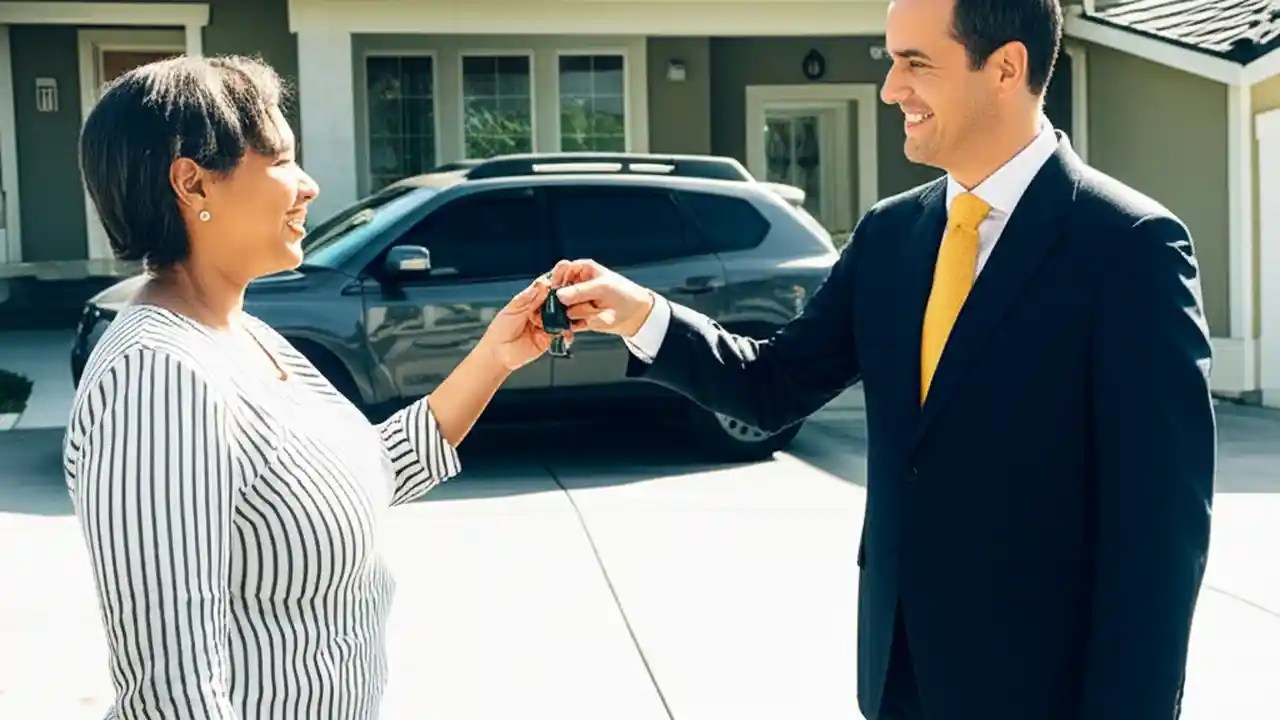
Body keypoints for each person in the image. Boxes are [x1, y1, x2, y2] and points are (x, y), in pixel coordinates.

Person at [548, 0, 1216, 717]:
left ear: (1006, 68)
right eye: (891, 60)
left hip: (1041, 692)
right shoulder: (891, 234)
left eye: (915, 63)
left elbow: (1158, 542)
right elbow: (772, 385)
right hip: (898, 679)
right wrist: (641, 314)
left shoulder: (1129, 246)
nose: (891, 89)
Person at [63, 55, 562, 719]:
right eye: (280, 161)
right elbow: (174, 696)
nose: (308, 186)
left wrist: (495, 357)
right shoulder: (158, 378)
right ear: (192, 184)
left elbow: (365, 474)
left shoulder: (243, 334)